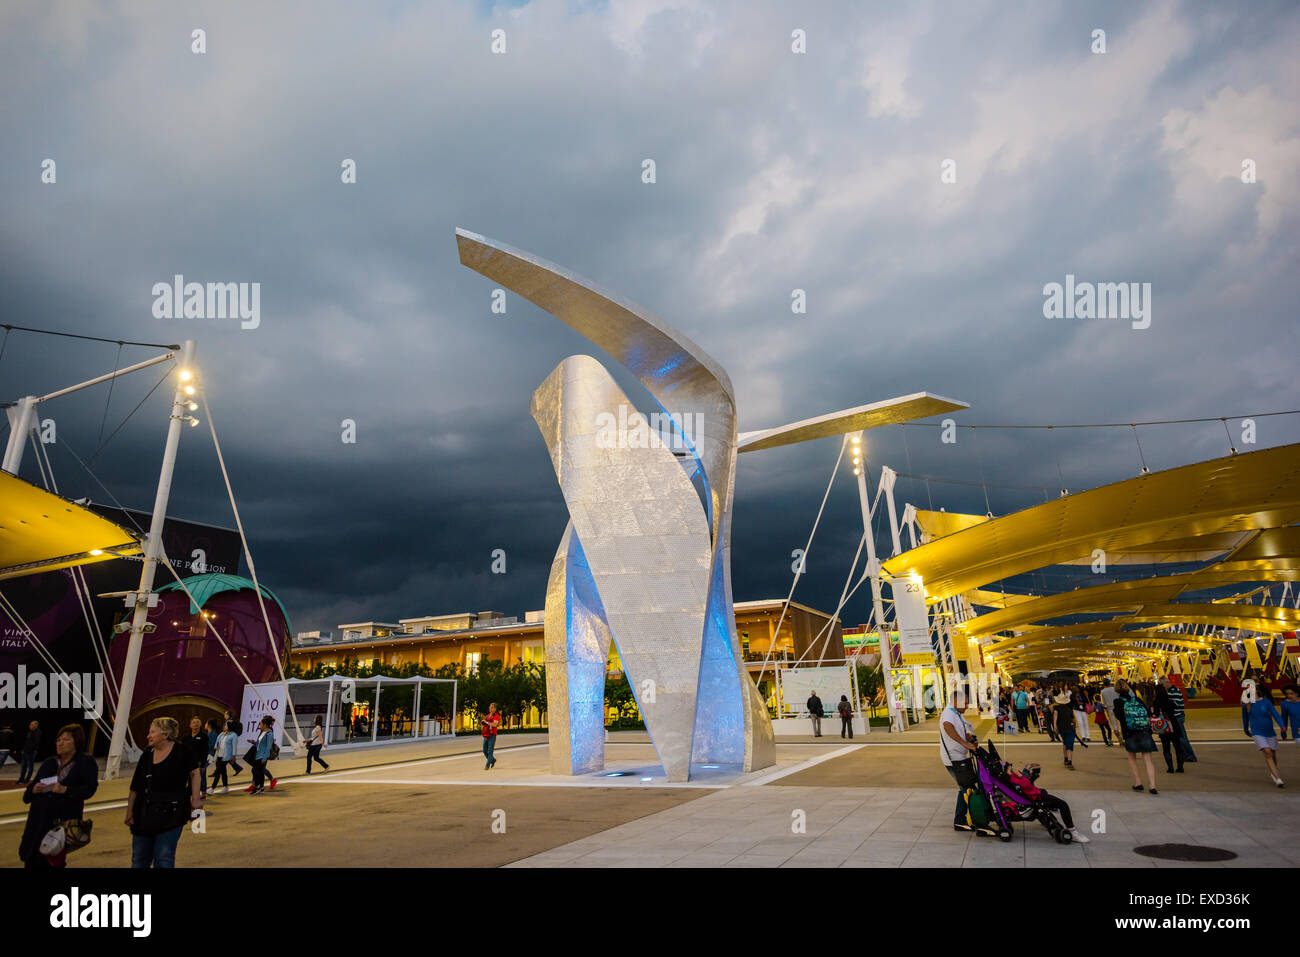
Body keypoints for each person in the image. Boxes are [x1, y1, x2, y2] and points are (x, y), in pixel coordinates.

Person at [18, 724, 99, 869]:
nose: (60, 743)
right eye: (58, 740)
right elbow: (27, 795)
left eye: (66, 740)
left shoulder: (85, 762)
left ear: (77, 741)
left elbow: (89, 790)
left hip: (59, 828)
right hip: (37, 823)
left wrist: (66, 790)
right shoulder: (50, 763)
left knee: (53, 862)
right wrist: (33, 790)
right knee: (31, 859)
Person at [126, 717, 200, 868]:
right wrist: (129, 811)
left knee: (164, 857)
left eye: (152, 732)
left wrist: (196, 800)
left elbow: (195, 774)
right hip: (144, 814)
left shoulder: (182, 751)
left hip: (172, 814)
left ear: (165, 735)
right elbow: (135, 786)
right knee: (139, 860)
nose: (148, 736)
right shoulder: (146, 755)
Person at [939, 687, 985, 833]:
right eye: (964, 703)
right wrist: (965, 744)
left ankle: (960, 820)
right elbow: (948, 727)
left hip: (960, 758)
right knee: (968, 789)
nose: (966, 706)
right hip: (953, 760)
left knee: (965, 788)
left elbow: (961, 730)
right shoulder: (948, 714)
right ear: (955, 701)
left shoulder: (956, 714)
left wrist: (969, 738)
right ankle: (960, 821)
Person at [1114, 679, 1159, 793]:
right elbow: (1148, 713)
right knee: (1148, 759)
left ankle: (1138, 782)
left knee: (1132, 758)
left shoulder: (1118, 702)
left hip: (1129, 733)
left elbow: (1119, 716)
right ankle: (1152, 786)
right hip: (1144, 731)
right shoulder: (1137, 699)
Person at [1246, 687, 1287, 787]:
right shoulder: (1247, 704)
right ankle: (1278, 778)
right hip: (1257, 732)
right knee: (1267, 751)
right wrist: (1245, 729)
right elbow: (1245, 718)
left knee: (1273, 754)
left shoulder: (1266, 702)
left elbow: (1275, 714)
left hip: (1269, 732)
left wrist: (1281, 725)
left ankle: (1273, 773)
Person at [247, 716, 278, 793]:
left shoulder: (269, 733)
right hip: (258, 754)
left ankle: (260, 787)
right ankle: (258, 787)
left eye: (260, 723)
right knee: (258, 771)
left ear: (264, 724)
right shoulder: (263, 732)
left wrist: (264, 758)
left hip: (262, 755)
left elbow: (268, 747)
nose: (259, 725)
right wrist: (253, 742)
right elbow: (259, 743)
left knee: (259, 772)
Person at [186, 715, 210, 799]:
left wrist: (203, 764)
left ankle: (201, 793)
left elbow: (205, 751)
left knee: (199, 779)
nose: (195, 724)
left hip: (199, 763)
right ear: (190, 725)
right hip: (188, 763)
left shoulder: (204, 736)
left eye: (197, 722)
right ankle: (190, 795)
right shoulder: (186, 737)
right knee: (189, 780)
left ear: (200, 725)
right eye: (193, 722)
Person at [1052, 690, 1076, 769]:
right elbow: (1073, 719)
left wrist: (1055, 726)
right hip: (1069, 728)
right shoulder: (1069, 708)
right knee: (1069, 744)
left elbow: (1055, 716)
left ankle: (1066, 759)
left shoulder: (1056, 708)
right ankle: (1069, 761)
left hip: (1061, 728)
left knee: (1065, 743)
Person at [211, 720, 235, 793]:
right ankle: (225, 786)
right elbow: (217, 742)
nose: (224, 726)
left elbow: (234, 746)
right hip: (219, 755)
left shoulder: (233, 735)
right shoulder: (221, 734)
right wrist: (215, 746)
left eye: (226, 725)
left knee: (218, 771)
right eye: (224, 725)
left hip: (226, 756)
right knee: (223, 771)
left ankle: (212, 788)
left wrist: (233, 756)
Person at [18, 720, 41, 784]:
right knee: (23, 766)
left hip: (31, 752)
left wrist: (29, 750)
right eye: (30, 724)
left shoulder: (37, 732)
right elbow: (26, 742)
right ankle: (21, 779)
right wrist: (23, 750)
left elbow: (35, 743)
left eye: (31, 724)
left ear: (35, 725)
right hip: (25, 751)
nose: (30, 725)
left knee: (30, 766)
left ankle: (27, 779)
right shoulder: (29, 732)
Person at [222, 711, 244, 776]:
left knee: (224, 756)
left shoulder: (229, 722)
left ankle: (218, 770)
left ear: (228, 714)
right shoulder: (235, 721)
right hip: (232, 739)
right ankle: (237, 768)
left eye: (225, 714)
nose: (224, 715)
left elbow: (225, 731)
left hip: (228, 740)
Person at [481, 703, 502, 770]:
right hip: (486, 734)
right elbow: (486, 724)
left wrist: (487, 723)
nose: (490, 708)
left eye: (492, 707)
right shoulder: (487, 716)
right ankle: (492, 760)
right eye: (490, 707)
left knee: (490, 751)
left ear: (495, 709)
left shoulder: (496, 716)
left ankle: (487, 766)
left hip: (492, 735)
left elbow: (495, 725)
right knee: (484, 750)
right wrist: (483, 722)